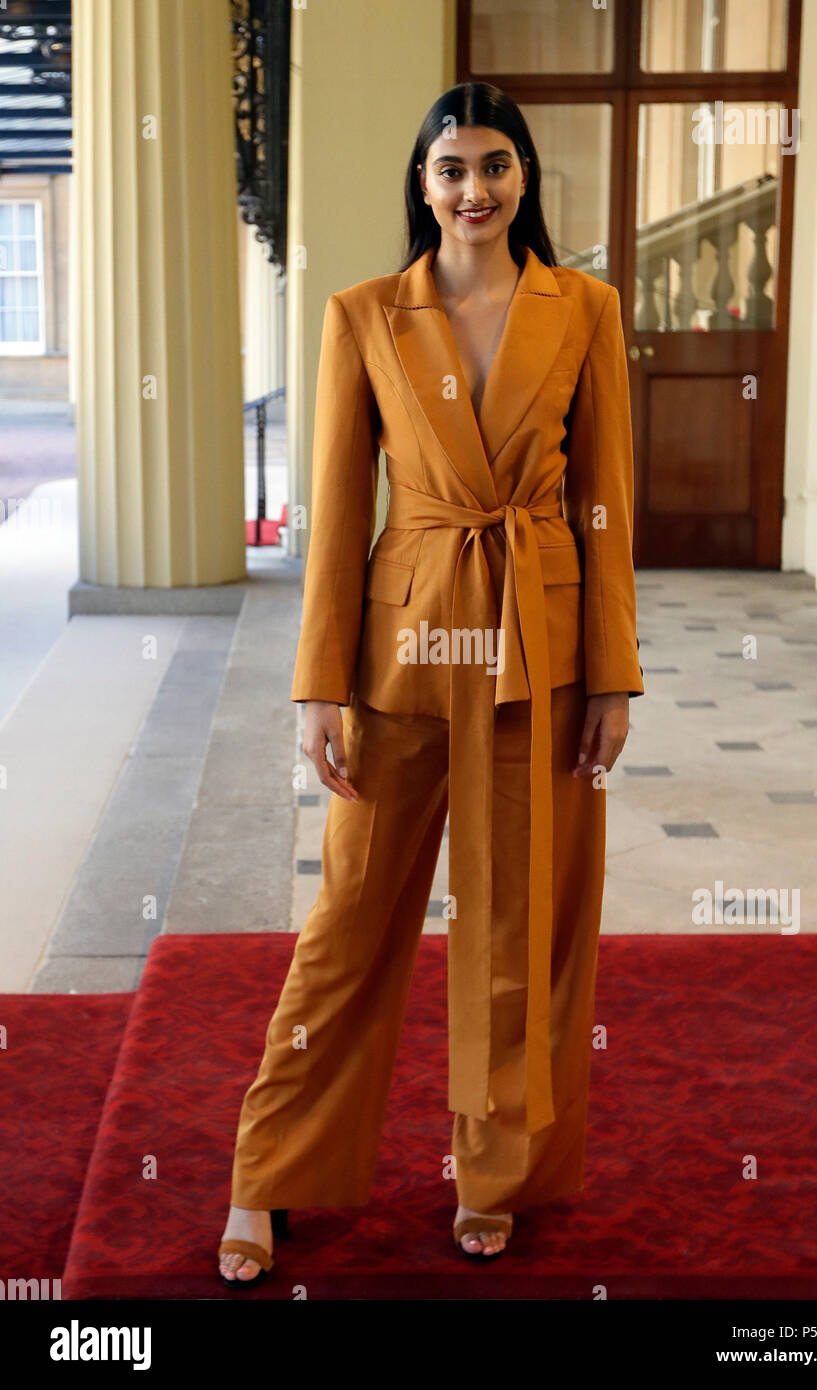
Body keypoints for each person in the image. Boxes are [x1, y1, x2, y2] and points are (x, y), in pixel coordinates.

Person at [218, 80, 643, 1285]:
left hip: (543, 659)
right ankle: (269, 1170)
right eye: (451, 169)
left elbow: (606, 508)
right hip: (403, 659)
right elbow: (341, 512)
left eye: (495, 166)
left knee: (517, 930)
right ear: (422, 183)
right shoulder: (362, 315)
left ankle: (492, 1173)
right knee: (348, 925)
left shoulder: (587, 310)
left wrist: (612, 674)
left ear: (524, 180)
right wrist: (317, 687)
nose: (474, 190)